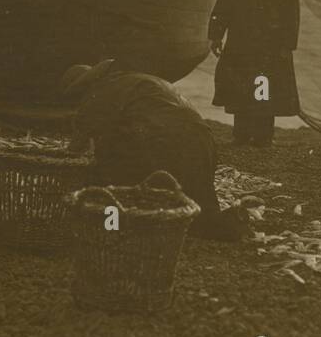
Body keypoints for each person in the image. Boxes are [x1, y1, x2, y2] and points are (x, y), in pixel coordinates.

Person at [61, 61, 246, 241]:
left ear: (84, 87)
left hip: (163, 141)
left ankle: (115, 224)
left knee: (108, 165)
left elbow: (77, 149)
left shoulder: (98, 94)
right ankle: (228, 222)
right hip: (203, 140)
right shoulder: (137, 80)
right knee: (201, 204)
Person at [208, 0, 301, 147]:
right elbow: (223, 9)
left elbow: (291, 17)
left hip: (263, 49)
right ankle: (247, 135)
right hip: (248, 47)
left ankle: (260, 136)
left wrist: (288, 46)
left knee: (259, 91)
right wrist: (216, 36)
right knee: (248, 90)